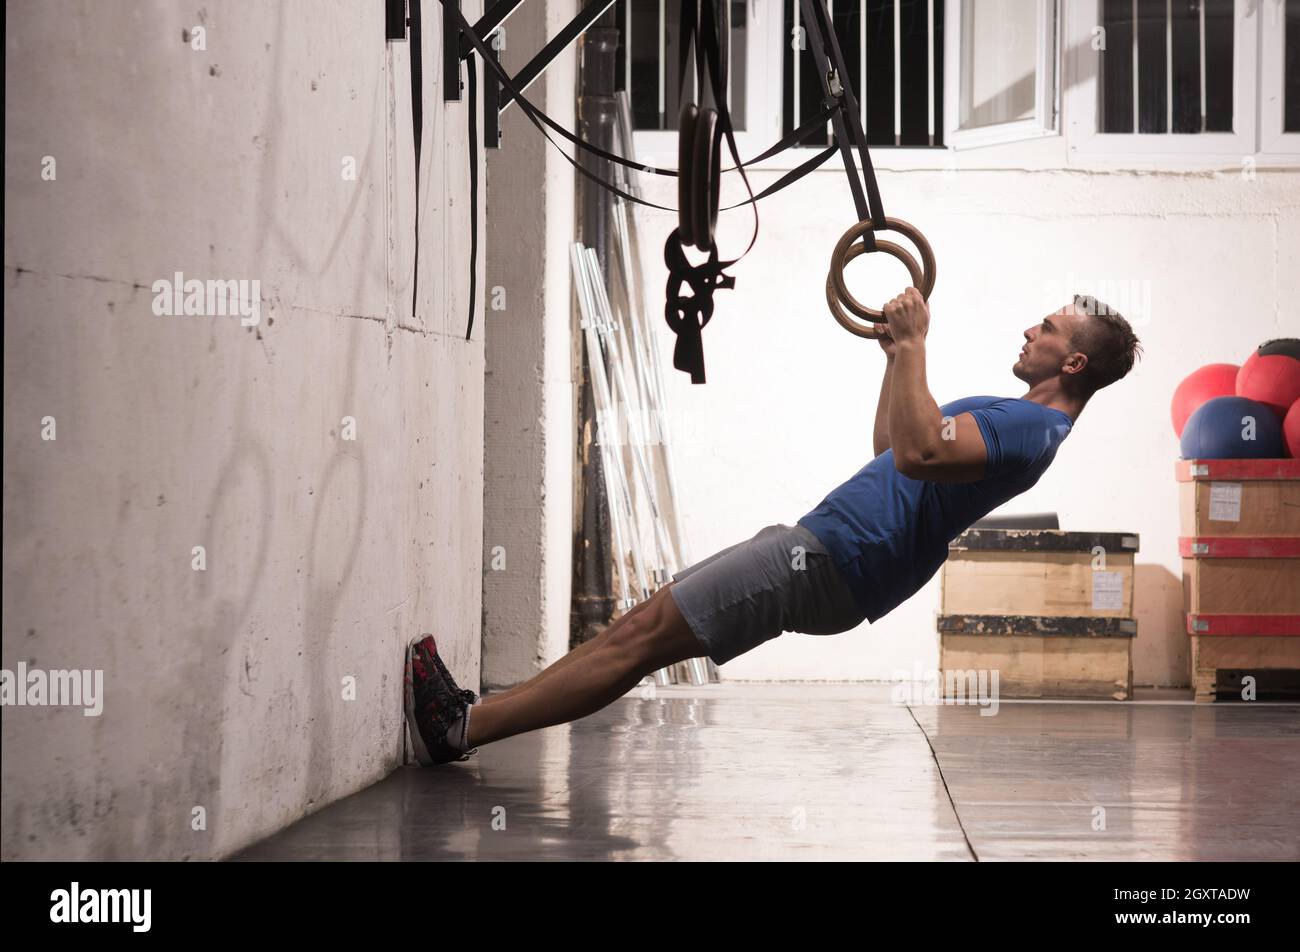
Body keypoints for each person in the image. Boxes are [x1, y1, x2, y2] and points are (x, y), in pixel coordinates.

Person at [405, 290, 1142, 765]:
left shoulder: (1033, 430)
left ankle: (460, 730)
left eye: (1044, 327)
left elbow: (919, 453)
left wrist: (918, 345)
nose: (1028, 327)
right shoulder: (1014, 413)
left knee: (636, 644)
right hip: (819, 548)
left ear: (1072, 360)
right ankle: (472, 717)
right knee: (638, 629)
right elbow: (893, 445)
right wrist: (896, 359)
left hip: (833, 561)